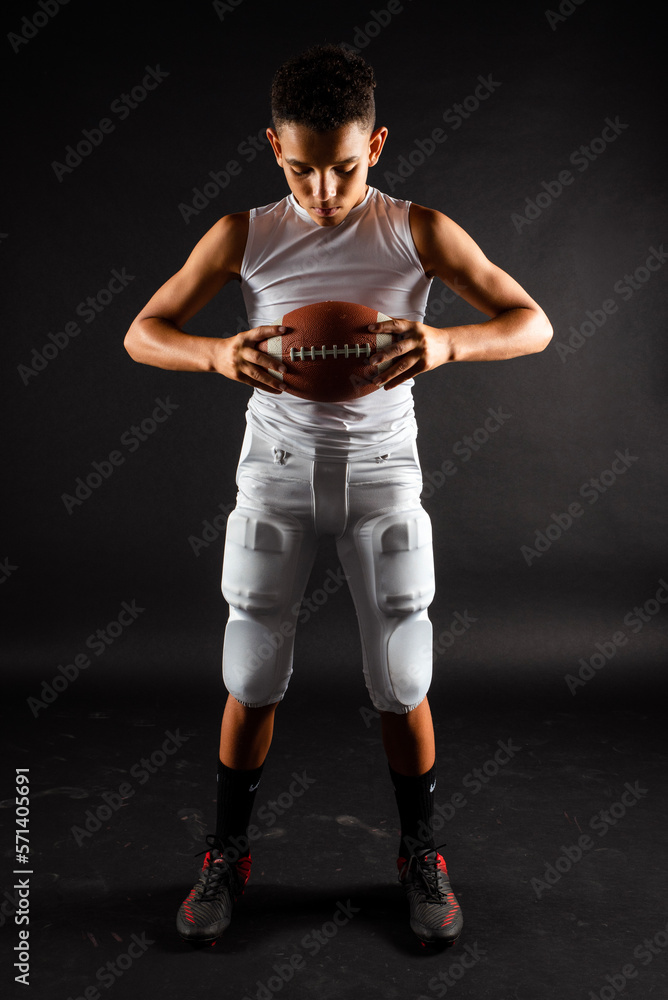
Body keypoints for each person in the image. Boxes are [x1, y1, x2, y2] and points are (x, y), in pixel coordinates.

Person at [124, 43, 552, 948]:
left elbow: (533, 322)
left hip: (384, 472)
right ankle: (228, 853)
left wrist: (448, 345)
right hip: (274, 471)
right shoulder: (245, 234)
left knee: (402, 672)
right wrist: (213, 352)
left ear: (379, 144)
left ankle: (421, 850)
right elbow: (142, 332)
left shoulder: (417, 230)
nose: (323, 188)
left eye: (346, 167)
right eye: (303, 167)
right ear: (272, 147)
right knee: (251, 671)